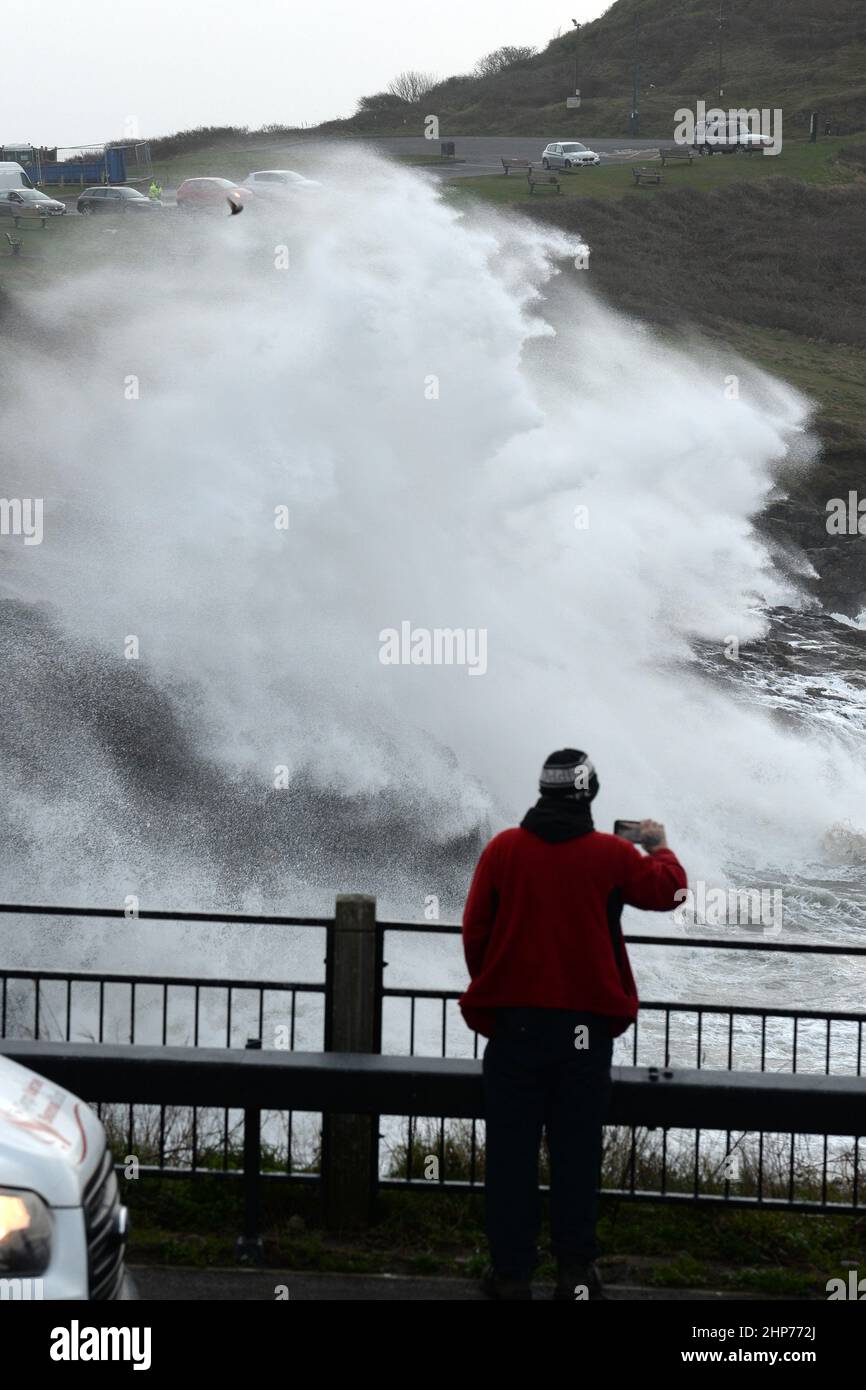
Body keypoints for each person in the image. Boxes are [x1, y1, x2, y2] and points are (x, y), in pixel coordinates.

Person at [460, 748, 687, 1301]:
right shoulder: (611, 855)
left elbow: (474, 932)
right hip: (584, 1035)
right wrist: (658, 847)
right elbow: (669, 891)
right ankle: (576, 1274)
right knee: (576, 1155)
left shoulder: (503, 850)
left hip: (515, 1030)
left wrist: (503, 994)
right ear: (588, 796)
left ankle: (512, 1275)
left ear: (544, 792)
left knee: (511, 1158)